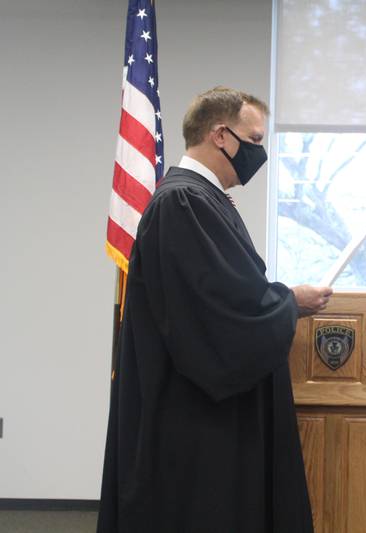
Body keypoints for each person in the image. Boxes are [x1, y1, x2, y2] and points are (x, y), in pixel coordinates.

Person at [97, 87, 332, 533]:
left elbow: (229, 295)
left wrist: (276, 303)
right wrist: (290, 302)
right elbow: (220, 315)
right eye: (255, 139)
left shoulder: (199, 199)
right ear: (221, 135)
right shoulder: (183, 202)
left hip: (200, 413)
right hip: (192, 419)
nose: (259, 153)